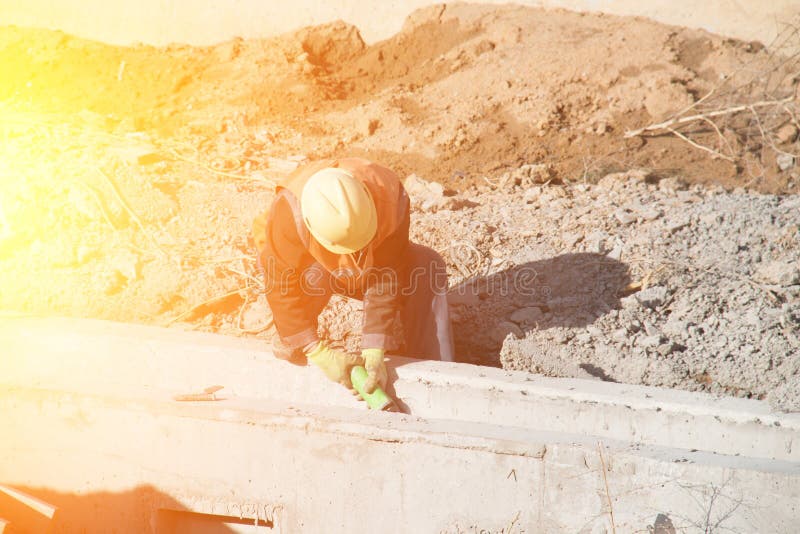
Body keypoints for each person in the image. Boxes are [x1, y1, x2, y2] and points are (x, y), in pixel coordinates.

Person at [253, 157, 454, 394]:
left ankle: (437, 378)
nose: (351, 255)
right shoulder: (289, 213)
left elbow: (386, 273)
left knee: (427, 266)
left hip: (370, 266)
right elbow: (279, 285)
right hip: (317, 268)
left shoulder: (389, 195)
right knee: (305, 284)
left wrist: (374, 348)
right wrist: (318, 352)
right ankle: (297, 340)